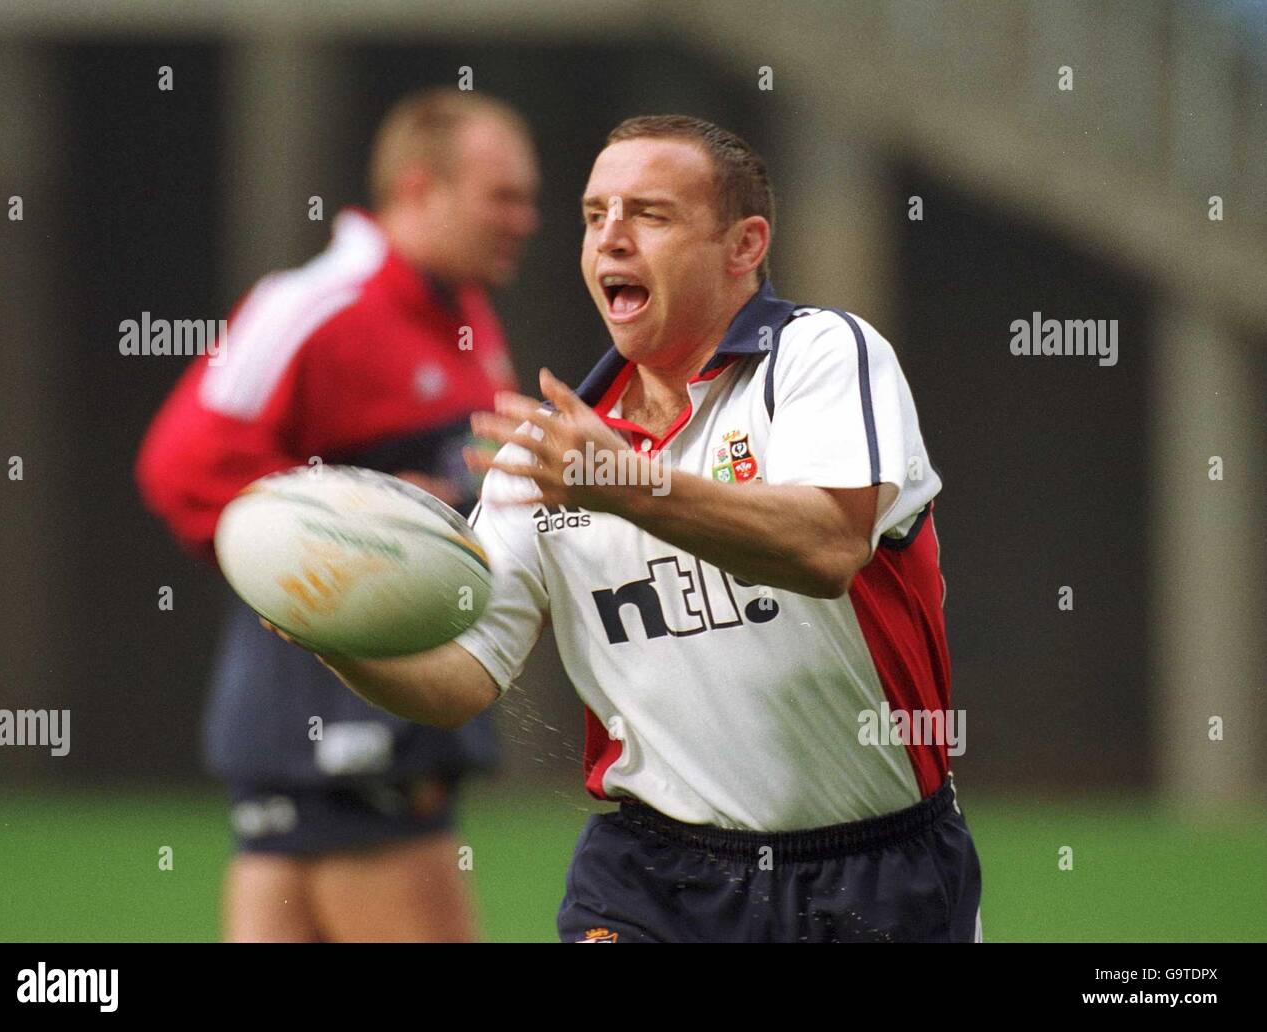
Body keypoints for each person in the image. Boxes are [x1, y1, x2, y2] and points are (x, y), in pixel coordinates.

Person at [274, 113, 981, 943]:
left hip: (876, 870)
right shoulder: (541, 453)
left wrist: (620, 482)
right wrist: (328, 627)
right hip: (652, 875)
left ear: (745, 245)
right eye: (594, 214)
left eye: (649, 214)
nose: (611, 238)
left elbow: (828, 546)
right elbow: (462, 678)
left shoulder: (821, 356)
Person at [137, 88, 540, 942]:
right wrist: (348, 533)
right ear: (422, 187)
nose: (525, 218)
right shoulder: (315, 303)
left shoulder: (464, 308)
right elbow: (181, 467)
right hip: (335, 717)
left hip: (375, 716)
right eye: (502, 196)